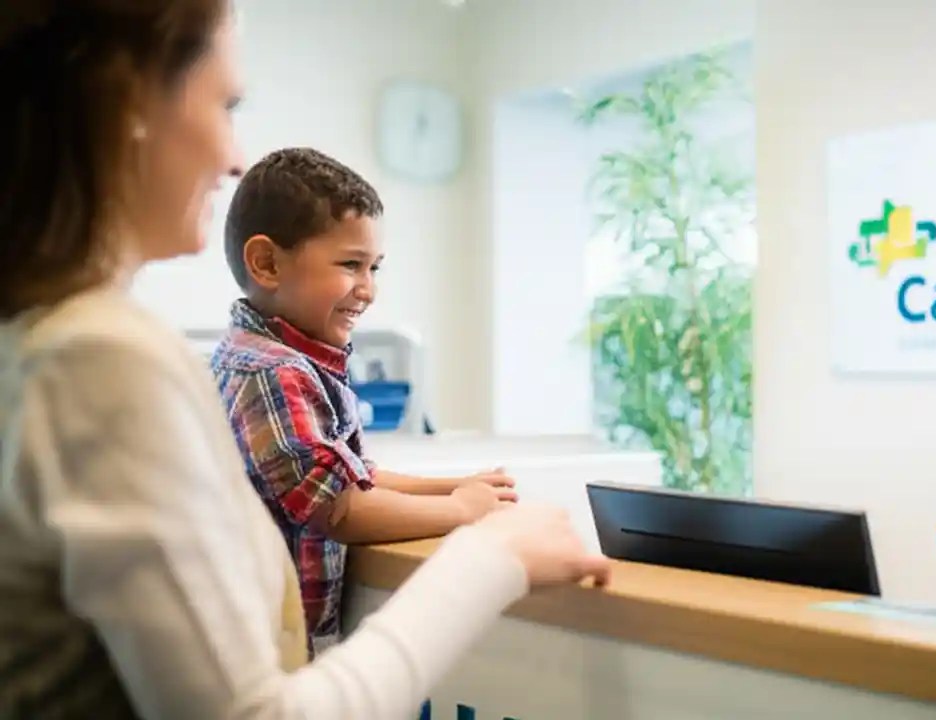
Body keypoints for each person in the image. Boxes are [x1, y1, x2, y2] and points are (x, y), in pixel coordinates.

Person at [0, 2, 610, 717]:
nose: (233, 157)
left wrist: (452, 497)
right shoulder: (98, 359)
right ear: (127, 102)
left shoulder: (44, 342)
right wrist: (493, 560)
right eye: (226, 103)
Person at [212, 146, 517, 655]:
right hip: (267, 653)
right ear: (266, 263)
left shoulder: (262, 356)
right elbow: (338, 508)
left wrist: (449, 487)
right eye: (351, 265)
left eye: (375, 267)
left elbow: (347, 473)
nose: (368, 289)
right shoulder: (273, 372)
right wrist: (460, 510)